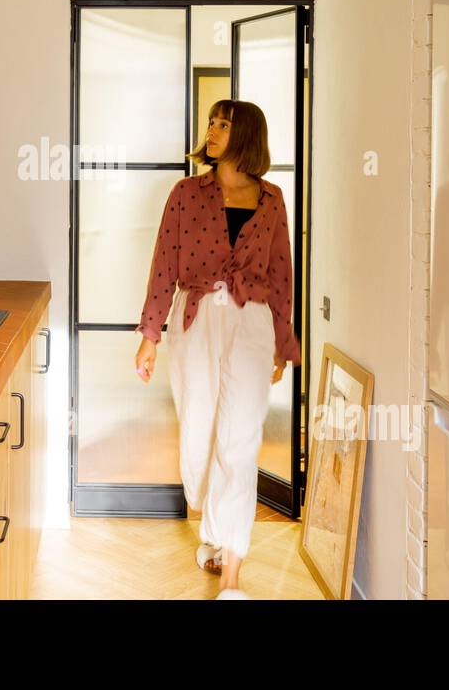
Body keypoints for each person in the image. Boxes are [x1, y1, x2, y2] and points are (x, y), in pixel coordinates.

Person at [134, 99, 300, 600]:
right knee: (199, 435)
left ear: (246, 133)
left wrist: (282, 341)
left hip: (251, 322)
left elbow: (281, 274)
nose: (212, 130)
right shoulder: (186, 193)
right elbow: (164, 262)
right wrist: (149, 336)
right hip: (197, 315)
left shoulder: (272, 200)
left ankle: (232, 574)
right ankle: (212, 530)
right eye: (211, 121)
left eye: (224, 124)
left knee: (241, 440)